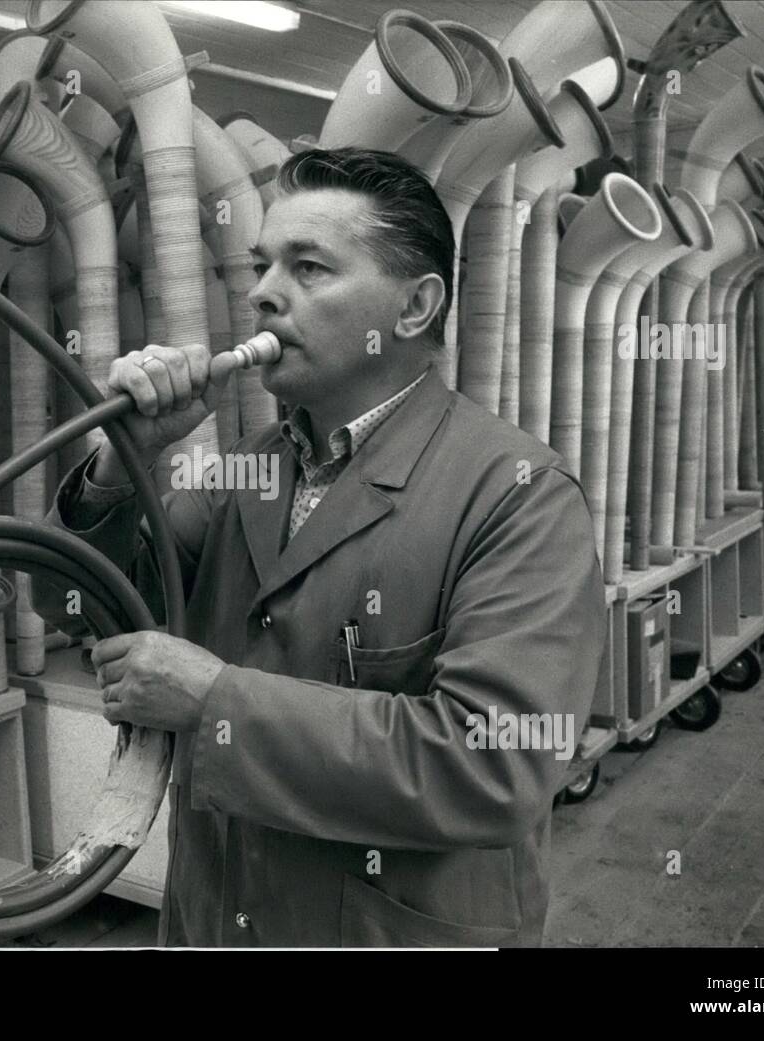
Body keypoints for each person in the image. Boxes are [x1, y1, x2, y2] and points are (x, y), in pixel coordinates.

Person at [34, 147, 606, 947]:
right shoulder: (246, 470)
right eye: (262, 265)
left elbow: (496, 764)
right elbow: (86, 609)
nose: (264, 293)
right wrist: (118, 465)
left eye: (309, 268)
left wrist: (216, 701)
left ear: (414, 309)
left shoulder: (518, 495)